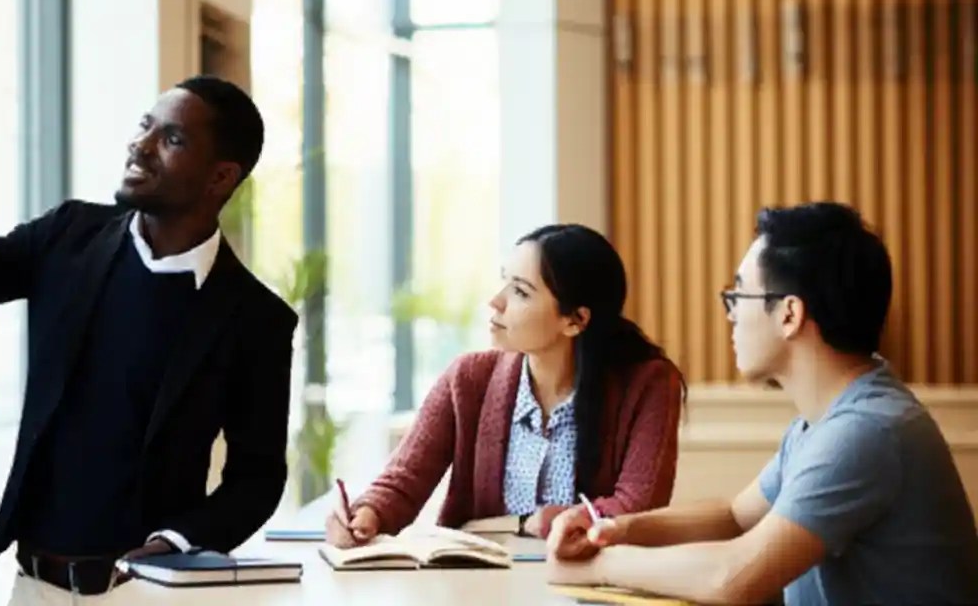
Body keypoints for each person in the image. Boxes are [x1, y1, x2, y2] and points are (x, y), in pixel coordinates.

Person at [0, 76, 298, 603]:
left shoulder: (256, 319)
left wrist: (178, 542)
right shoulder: (68, 237)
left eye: (172, 139)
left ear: (221, 177)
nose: (140, 145)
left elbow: (256, 479)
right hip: (33, 588)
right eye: (145, 126)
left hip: (149, 594)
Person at [546, 202, 978, 605]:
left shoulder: (866, 431)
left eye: (739, 295)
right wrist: (616, 530)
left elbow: (734, 577)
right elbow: (735, 516)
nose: (731, 313)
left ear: (789, 314)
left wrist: (598, 567)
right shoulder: (827, 420)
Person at [326, 225, 685, 547]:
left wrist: (520, 524)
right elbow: (401, 483)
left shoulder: (649, 384)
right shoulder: (467, 379)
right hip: (482, 586)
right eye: (504, 282)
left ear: (575, 320)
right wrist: (366, 514)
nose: (496, 301)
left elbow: (637, 507)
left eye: (520, 292)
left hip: (591, 589)